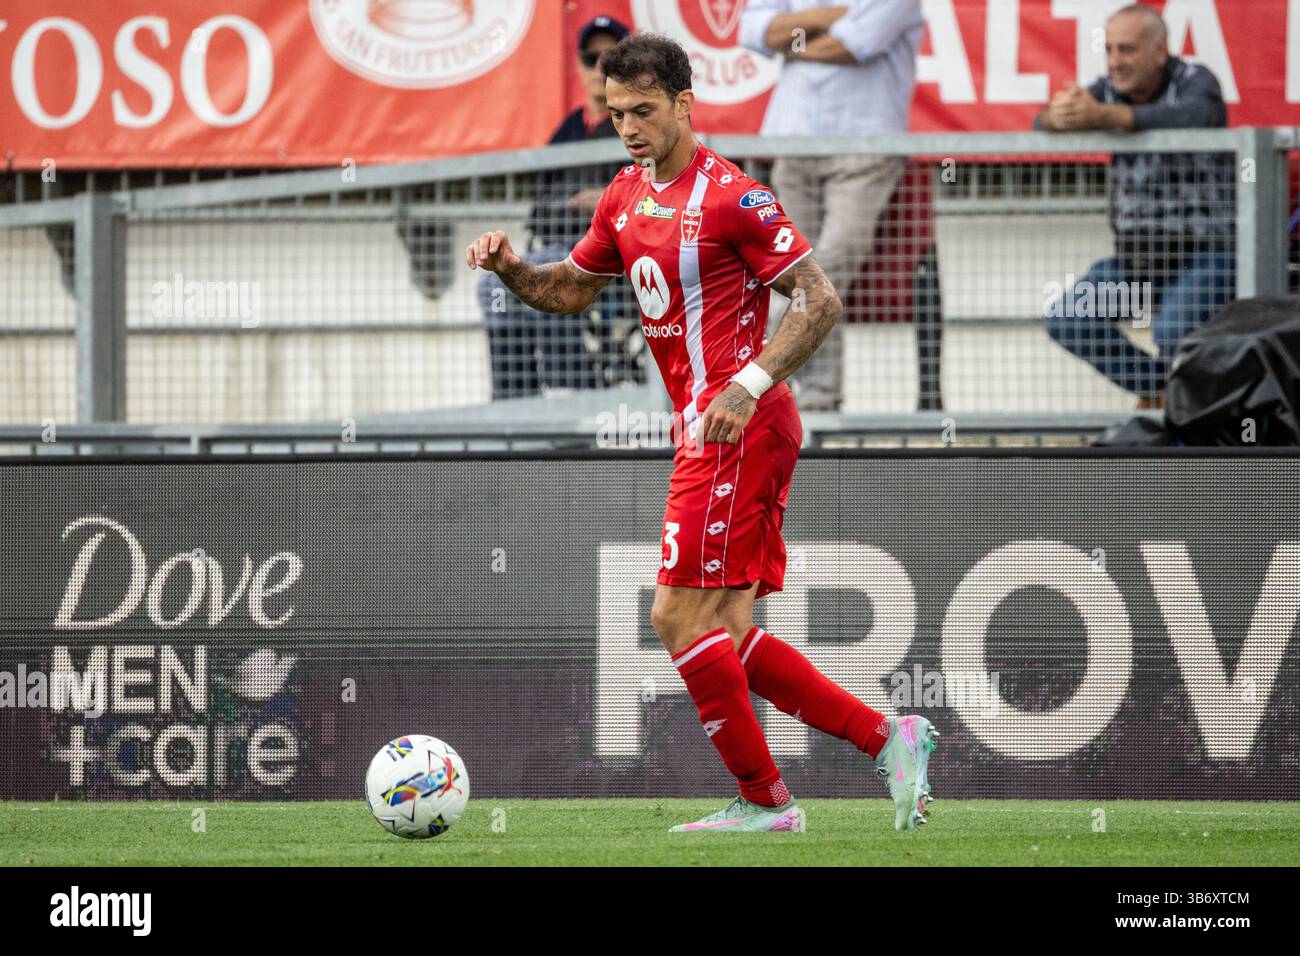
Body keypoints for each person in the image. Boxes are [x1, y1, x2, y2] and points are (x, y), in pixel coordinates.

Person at [466, 32, 938, 833]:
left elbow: (817, 299)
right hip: (713, 428)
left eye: (643, 111)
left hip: (739, 424)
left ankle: (766, 803)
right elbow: (575, 289)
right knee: (728, 628)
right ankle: (888, 737)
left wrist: (748, 385)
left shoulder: (733, 197)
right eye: (616, 113)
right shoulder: (625, 195)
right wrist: (512, 269)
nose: (628, 127)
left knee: (674, 619)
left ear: (685, 103)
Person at [1036, 3, 1235, 407]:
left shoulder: (1196, 80)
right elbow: (1039, 124)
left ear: (1160, 52)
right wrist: (1060, 116)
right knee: (1068, 317)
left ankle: (1202, 417)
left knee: (1174, 329)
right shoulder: (1106, 90)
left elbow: (1195, 116)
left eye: (1126, 50)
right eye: (1108, 50)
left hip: (1208, 255)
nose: (1115, 62)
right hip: (1140, 262)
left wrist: (1107, 116)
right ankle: (1162, 393)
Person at [739, 1, 926, 412]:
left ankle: (786, 392)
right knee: (790, 272)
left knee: (828, 269)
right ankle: (792, 401)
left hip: (866, 145)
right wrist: (827, 18)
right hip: (793, 140)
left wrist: (790, 39)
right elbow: (752, 31)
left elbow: (856, 44)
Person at [477, 16, 630, 399]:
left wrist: (606, 198)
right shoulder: (565, 133)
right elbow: (540, 209)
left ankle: (568, 394)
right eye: (590, 57)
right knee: (492, 285)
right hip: (559, 245)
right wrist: (575, 205)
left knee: (549, 273)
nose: (599, 67)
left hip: (615, 260)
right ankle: (515, 404)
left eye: (610, 57)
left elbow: (655, 192)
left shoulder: (636, 124)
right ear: (578, 66)